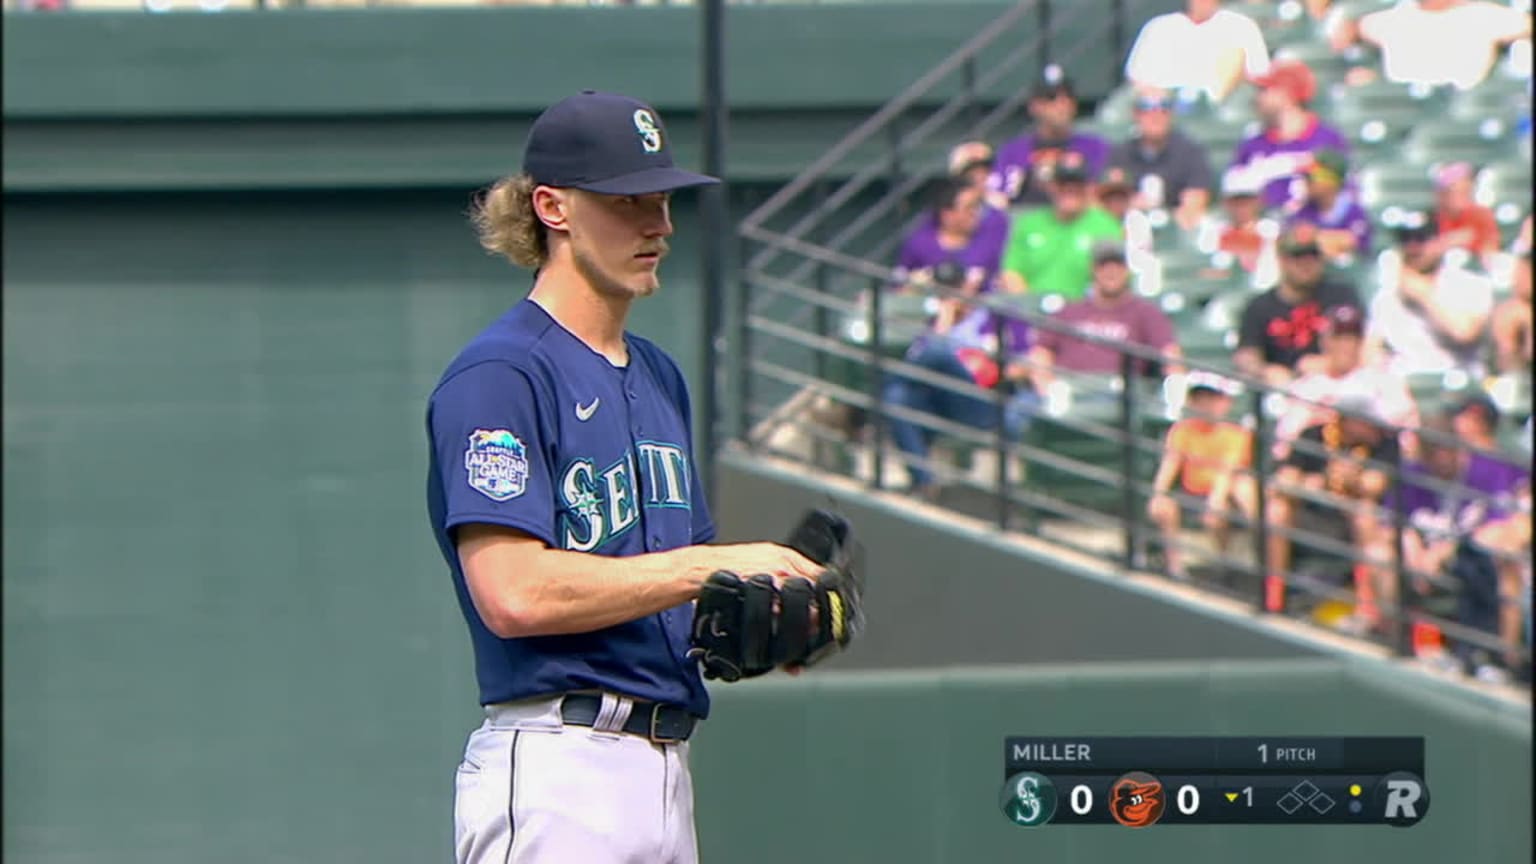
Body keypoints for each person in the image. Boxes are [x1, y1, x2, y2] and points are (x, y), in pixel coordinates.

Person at [425, 90, 824, 864]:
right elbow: (514, 594)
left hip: (666, 772)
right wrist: (711, 565)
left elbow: (672, 599)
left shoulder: (658, 375)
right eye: (627, 200)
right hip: (559, 766)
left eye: (664, 199)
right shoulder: (502, 373)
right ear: (552, 207)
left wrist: (762, 619)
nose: (658, 224)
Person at [1005, 241, 1181, 433]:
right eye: (1104, 265)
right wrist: (1046, 385)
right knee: (1018, 410)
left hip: (1119, 391)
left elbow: (1170, 354)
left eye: (1118, 265)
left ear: (1127, 270)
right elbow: (1041, 353)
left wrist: (1176, 384)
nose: (1111, 272)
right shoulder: (1068, 311)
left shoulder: (1145, 312)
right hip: (1067, 389)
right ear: (1093, 270)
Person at [1147, 371, 1256, 580]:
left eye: (1214, 399)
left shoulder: (1236, 433)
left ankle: (1227, 564)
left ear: (1226, 402)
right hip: (1191, 491)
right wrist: (1158, 493)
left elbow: (1227, 471)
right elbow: (1171, 463)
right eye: (1201, 399)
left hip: (1222, 494)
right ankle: (1175, 568)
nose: (1207, 405)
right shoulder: (1182, 430)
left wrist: (1215, 502)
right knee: (1163, 507)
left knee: (1222, 510)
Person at [1364, 211, 1495, 378]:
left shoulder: (1468, 284)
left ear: (1439, 242)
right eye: (1406, 239)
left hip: (1456, 381)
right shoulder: (1387, 295)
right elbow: (1370, 350)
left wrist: (1423, 294)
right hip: (1406, 386)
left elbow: (1464, 331)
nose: (1413, 247)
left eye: (1421, 239)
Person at [1233, 222, 1363, 389]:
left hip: (1335, 385)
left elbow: (1363, 343)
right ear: (1282, 260)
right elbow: (1246, 355)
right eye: (1298, 257)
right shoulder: (1260, 307)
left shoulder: (1341, 296)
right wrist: (1265, 370)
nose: (1306, 264)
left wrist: (1330, 364)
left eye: (1313, 256)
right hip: (1284, 391)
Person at [1229, 59, 1351, 212]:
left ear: (1286, 93)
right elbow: (1235, 197)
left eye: (1264, 90)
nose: (1257, 98)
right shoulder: (1251, 146)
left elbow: (1342, 197)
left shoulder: (1327, 140)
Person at [1329, 0, 1532, 91]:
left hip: (1461, 100)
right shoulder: (1397, 18)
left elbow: (1526, 25)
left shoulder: (1481, 14)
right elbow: (1346, 32)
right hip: (1403, 100)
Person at [988, 65, 1113, 208]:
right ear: (1034, 106)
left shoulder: (1095, 147)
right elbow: (998, 199)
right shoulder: (1013, 151)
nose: (1062, 104)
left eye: (1068, 96)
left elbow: (1105, 197)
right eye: (1051, 97)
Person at [998, 158, 1124, 298]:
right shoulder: (1029, 224)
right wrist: (1028, 306)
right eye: (1062, 183)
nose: (1069, 189)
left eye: (1077, 184)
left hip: (1082, 312)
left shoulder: (1106, 226)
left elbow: (1113, 278)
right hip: (1031, 310)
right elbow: (1012, 272)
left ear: (1089, 187)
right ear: (1051, 186)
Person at [1104, 88, 1216, 230]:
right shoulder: (1121, 154)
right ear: (1135, 114)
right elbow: (1110, 205)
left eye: (1164, 106)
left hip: (1176, 232)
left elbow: (1194, 204)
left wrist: (1165, 217)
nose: (1155, 114)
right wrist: (1132, 206)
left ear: (1172, 113)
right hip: (1130, 229)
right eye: (1146, 107)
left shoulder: (1190, 152)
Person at [1124, 0, 1272, 105]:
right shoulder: (1159, 27)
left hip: (1220, 106)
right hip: (1166, 106)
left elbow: (1259, 73)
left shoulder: (1241, 25)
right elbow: (1137, 75)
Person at [891, 176, 1006, 295]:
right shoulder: (918, 245)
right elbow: (897, 289)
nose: (975, 213)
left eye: (977, 206)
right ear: (947, 214)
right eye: (969, 208)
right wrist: (917, 284)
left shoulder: (988, 240)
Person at [1282, 150, 1373, 267]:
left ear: (1332, 181)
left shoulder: (1354, 212)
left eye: (1311, 178)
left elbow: (1355, 243)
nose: (1305, 182)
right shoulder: (1301, 213)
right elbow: (1290, 242)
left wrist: (1314, 237)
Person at [1432, 162, 1502, 269]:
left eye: (1463, 191)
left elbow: (1489, 252)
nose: (1457, 196)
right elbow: (1424, 255)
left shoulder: (1481, 215)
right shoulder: (1431, 217)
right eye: (1451, 191)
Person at [1491, 248, 1532, 374]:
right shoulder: (1509, 312)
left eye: (1524, 273)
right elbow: (1508, 367)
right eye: (1516, 274)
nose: (1517, 281)